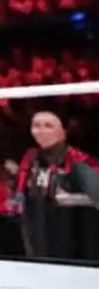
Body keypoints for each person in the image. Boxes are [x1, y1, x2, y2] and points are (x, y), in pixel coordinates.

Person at [14, 111, 99, 259]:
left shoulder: (78, 160)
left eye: (48, 126)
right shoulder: (31, 158)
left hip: (70, 241)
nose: (41, 131)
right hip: (37, 238)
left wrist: (70, 198)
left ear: (64, 131)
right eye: (36, 126)